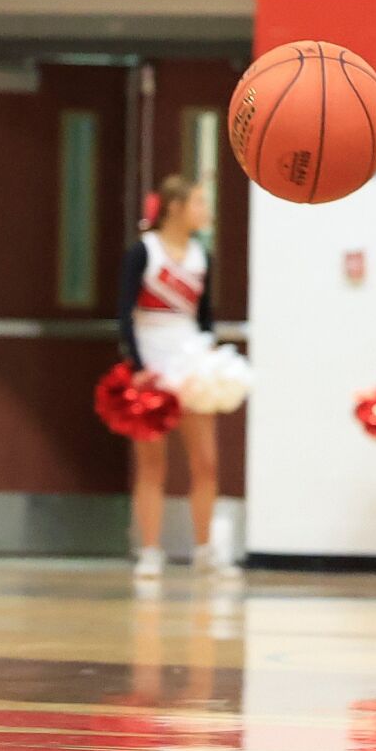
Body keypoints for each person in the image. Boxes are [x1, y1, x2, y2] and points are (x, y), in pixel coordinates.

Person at [118, 175, 239, 581]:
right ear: (174, 207)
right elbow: (124, 314)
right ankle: (150, 551)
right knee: (151, 464)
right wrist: (137, 368)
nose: (205, 212)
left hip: (189, 360)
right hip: (151, 362)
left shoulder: (202, 255)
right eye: (199, 204)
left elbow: (205, 318)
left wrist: (209, 360)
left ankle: (204, 549)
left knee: (205, 461)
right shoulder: (143, 253)